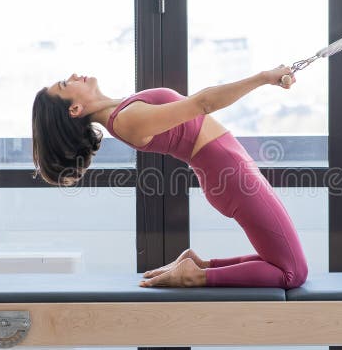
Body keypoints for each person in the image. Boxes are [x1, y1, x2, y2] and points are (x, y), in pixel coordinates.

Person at [31, 66, 308, 289]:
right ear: (75, 109)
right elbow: (203, 103)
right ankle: (194, 276)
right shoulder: (126, 120)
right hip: (232, 176)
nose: (73, 76)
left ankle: (199, 266)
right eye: (65, 84)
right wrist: (263, 78)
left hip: (233, 170)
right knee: (292, 273)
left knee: (282, 262)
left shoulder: (120, 109)